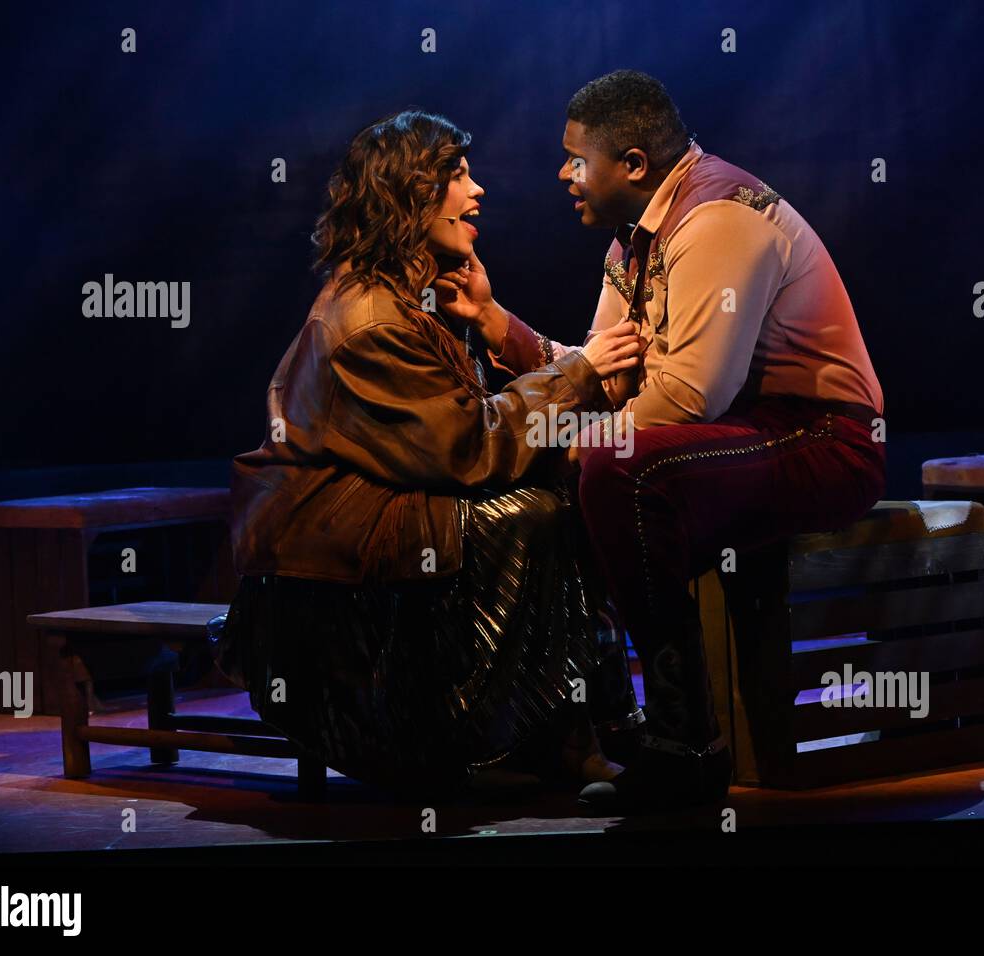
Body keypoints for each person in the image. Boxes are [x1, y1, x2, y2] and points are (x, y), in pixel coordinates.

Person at [437, 71, 886, 812]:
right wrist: (495, 324)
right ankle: (609, 724)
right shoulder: (632, 244)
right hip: (733, 439)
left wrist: (567, 443)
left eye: (578, 159)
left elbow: (684, 398)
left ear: (635, 164)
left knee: (616, 468)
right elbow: (597, 376)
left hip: (825, 438)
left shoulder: (717, 219)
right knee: (591, 469)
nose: (564, 174)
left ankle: (686, 744)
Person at [215, 109, 644, 797]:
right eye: (457, 177)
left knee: (563, 493)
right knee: (526, 514)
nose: (477, 193)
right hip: (322, 560)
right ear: (409, 194)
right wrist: (580, 374)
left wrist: (489, 318)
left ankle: (583, 730)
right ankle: (492, 743)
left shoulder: (410, 297)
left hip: (376, 522)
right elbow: (469, 447)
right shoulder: (369, 321)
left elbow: (471, 428)